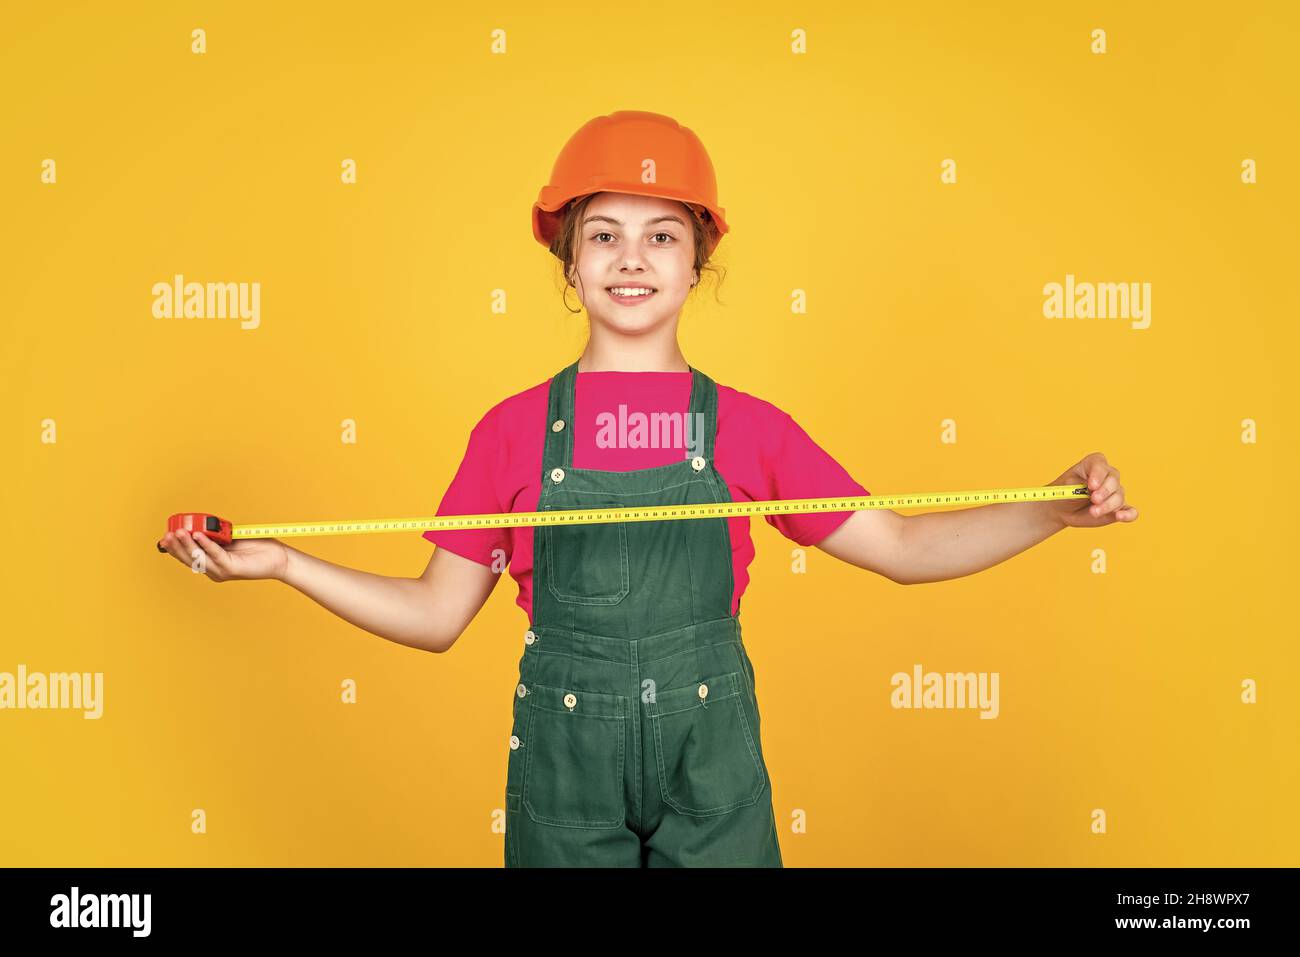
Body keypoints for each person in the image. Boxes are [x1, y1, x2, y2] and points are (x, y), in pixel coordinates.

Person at [158, 110, 1138, 868]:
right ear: (567, 260)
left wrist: (1050, 506)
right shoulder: (509, 434)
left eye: (662, 235)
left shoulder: (750, 429)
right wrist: (282, 564)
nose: (631, 258)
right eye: (603, 234)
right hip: (562, 768)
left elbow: (904, 550)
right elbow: (434, 613)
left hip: (710, 766)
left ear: (697, 259)